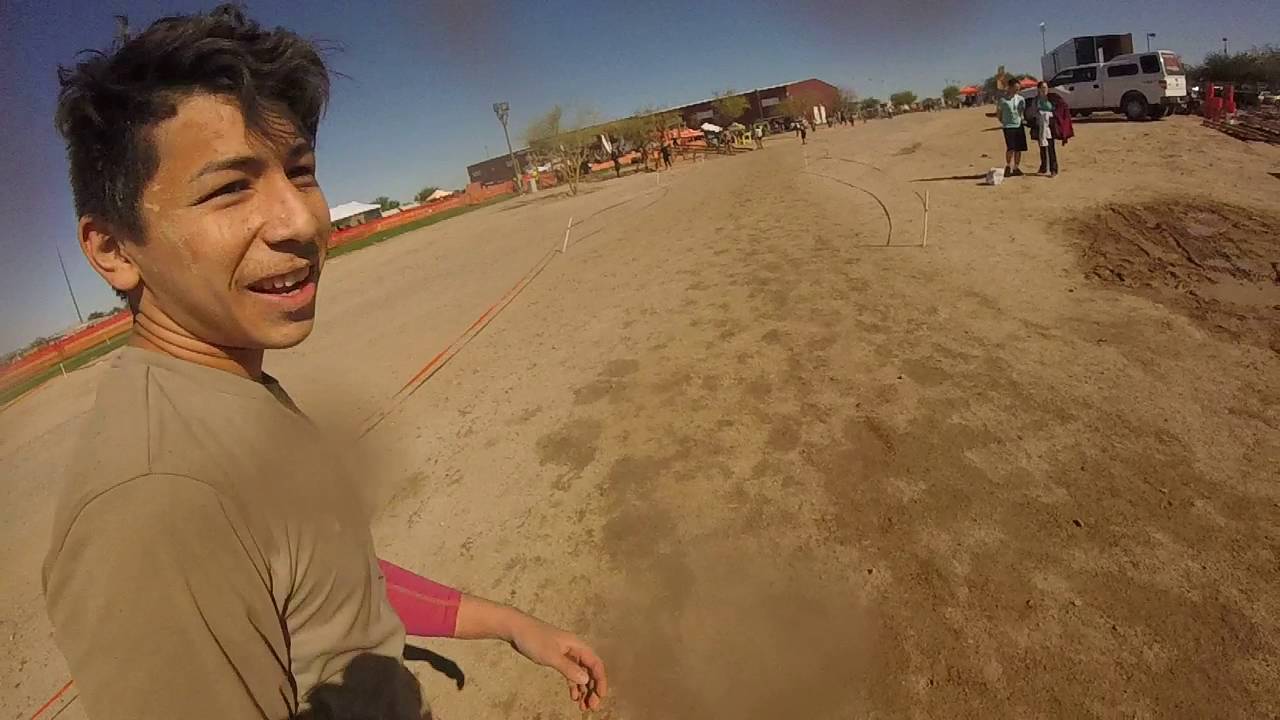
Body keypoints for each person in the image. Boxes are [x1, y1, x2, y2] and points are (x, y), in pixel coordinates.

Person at [44, 6, 608, 720]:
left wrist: (510, 624)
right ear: (113, 250)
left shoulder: (226, 389)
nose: (303, 221)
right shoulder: (156, 502)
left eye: (300, 171)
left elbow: (321, 580)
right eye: (229, 187)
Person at [997, 77, 1027, 176]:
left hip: (1019, 125)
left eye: (1018, 88)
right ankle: (1008, 166)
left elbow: (1022, 111)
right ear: (1009, 87)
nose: (1016, 90)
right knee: (1010, 148)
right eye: (1015, 88)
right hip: (1008, 126)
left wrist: (1021, 118)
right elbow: (999, 114)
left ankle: (1016, 167)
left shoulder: (1020, 99)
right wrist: (1004, 122)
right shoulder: (1002, 100)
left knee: (1019, 148)